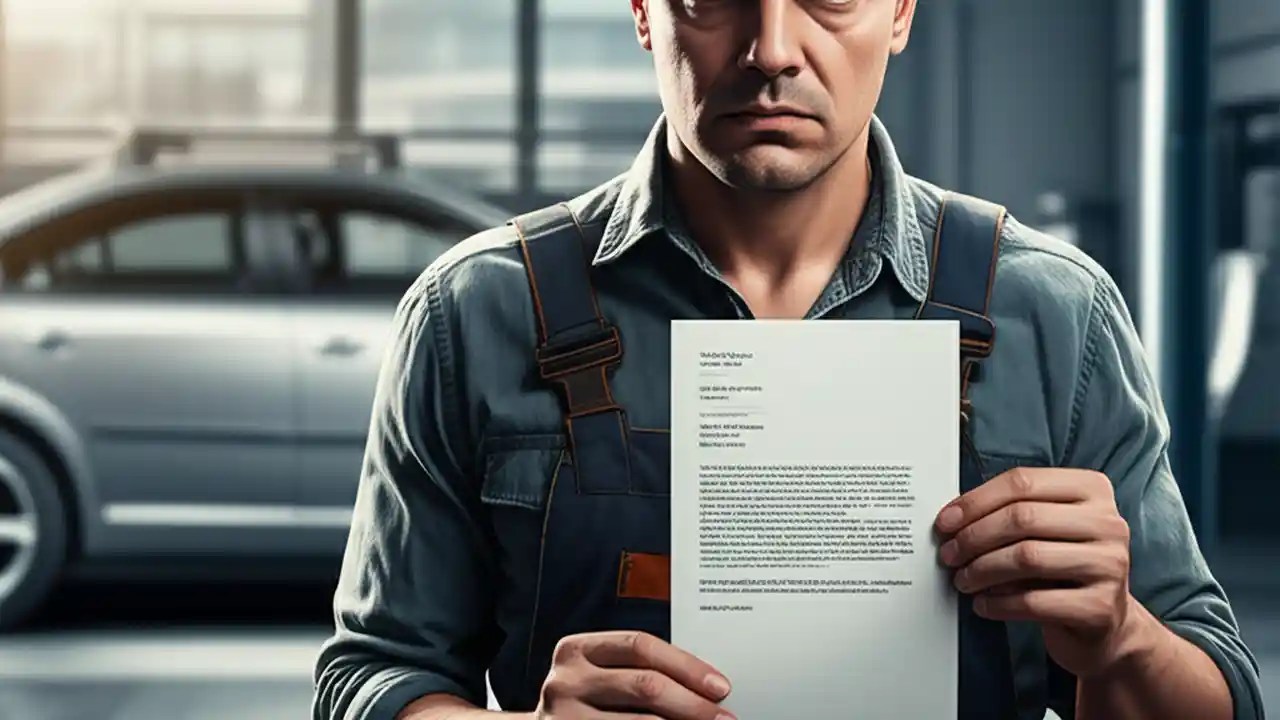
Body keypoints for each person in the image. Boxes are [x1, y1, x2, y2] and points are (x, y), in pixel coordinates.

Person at [313, 1, 1265, 719]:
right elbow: (373, 677)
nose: (772, 48)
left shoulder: (1053, 314)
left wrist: (1122, 638)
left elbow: (1222, 694)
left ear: (901, 12)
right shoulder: (473, 313)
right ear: (644, 12)